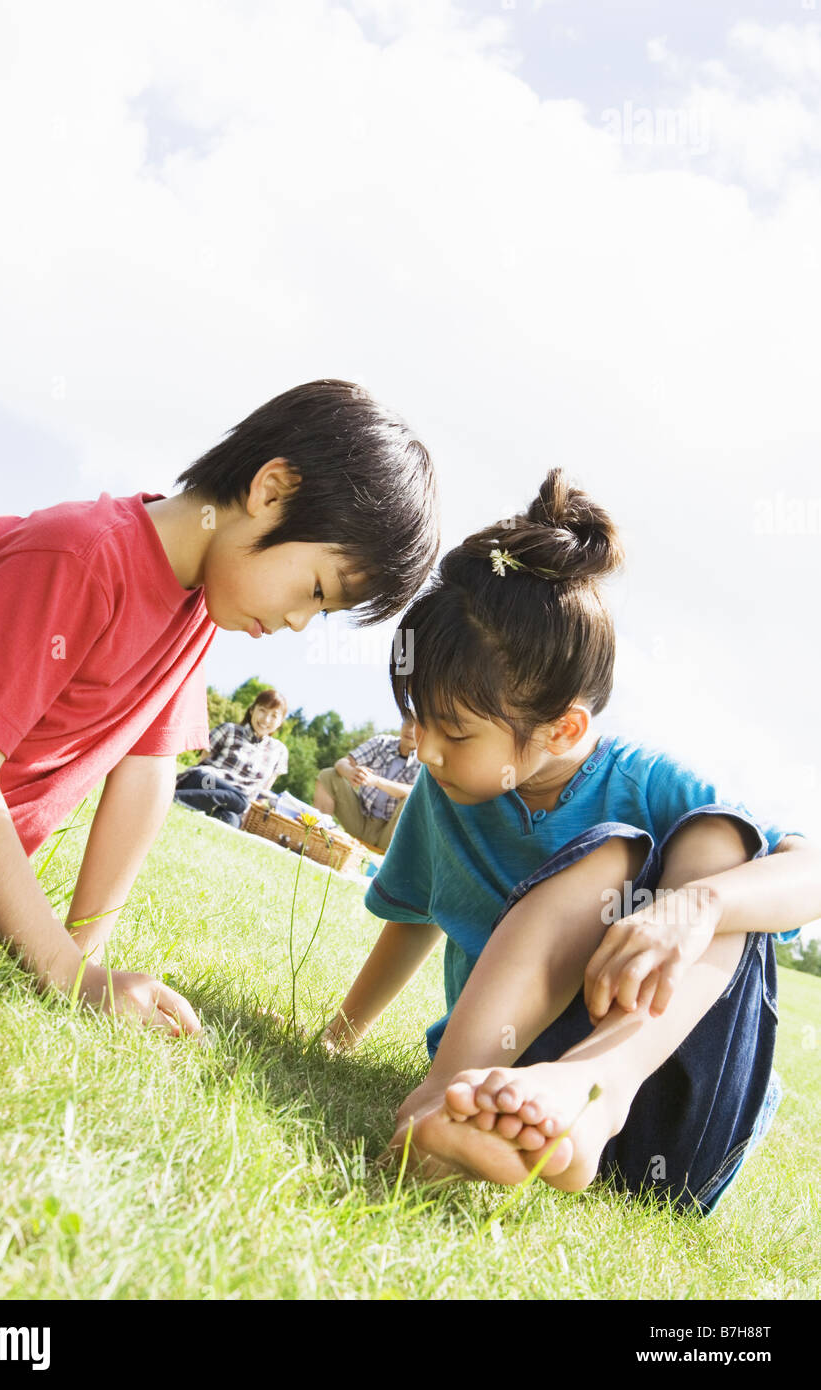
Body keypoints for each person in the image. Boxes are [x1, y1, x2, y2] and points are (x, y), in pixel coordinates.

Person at [0, 380, 439, 1117]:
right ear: (271, 490)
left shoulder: (193, 614)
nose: (298, 622)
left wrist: (89, 958)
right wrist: (62, 970)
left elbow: (147, 777)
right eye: (315, 589)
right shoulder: (83, 554)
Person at [323, 469, 821, 1213]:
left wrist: (696, 907)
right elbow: (411, 918)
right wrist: (339, 1036)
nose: (420, 749)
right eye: (416, 718)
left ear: (564, 729)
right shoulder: (444, 791)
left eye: (452, 732)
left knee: (700, 843)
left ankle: (595, 1093)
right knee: (624, 857)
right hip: (503, 1086)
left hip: (669, 1109)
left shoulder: (649, 782)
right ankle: (442, 1114)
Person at [175, 688, 290, 827]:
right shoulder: (229, 730)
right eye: (262, 710)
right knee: (241, 801)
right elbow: (202, 762)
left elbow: (262, 791)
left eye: (274, 715)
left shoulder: (279, 752)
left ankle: (178, 799)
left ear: (280, 721)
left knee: (232, 821)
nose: (266, 719)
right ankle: (170, 797)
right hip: (205, 782)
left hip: (233, 804)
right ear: (252, 710)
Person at [313, 717, 420, 850]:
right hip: (360, 818)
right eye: (408, 722)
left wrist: (376, 781)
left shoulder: (425, 761)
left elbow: (415, 792)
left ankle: (393, 858)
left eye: (418, 725)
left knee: (413, 799)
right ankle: (319, 836)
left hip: (388, 833)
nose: (410, 729)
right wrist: (351, 772)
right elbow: (341, 763)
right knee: (328, 775)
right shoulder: (382, 742)